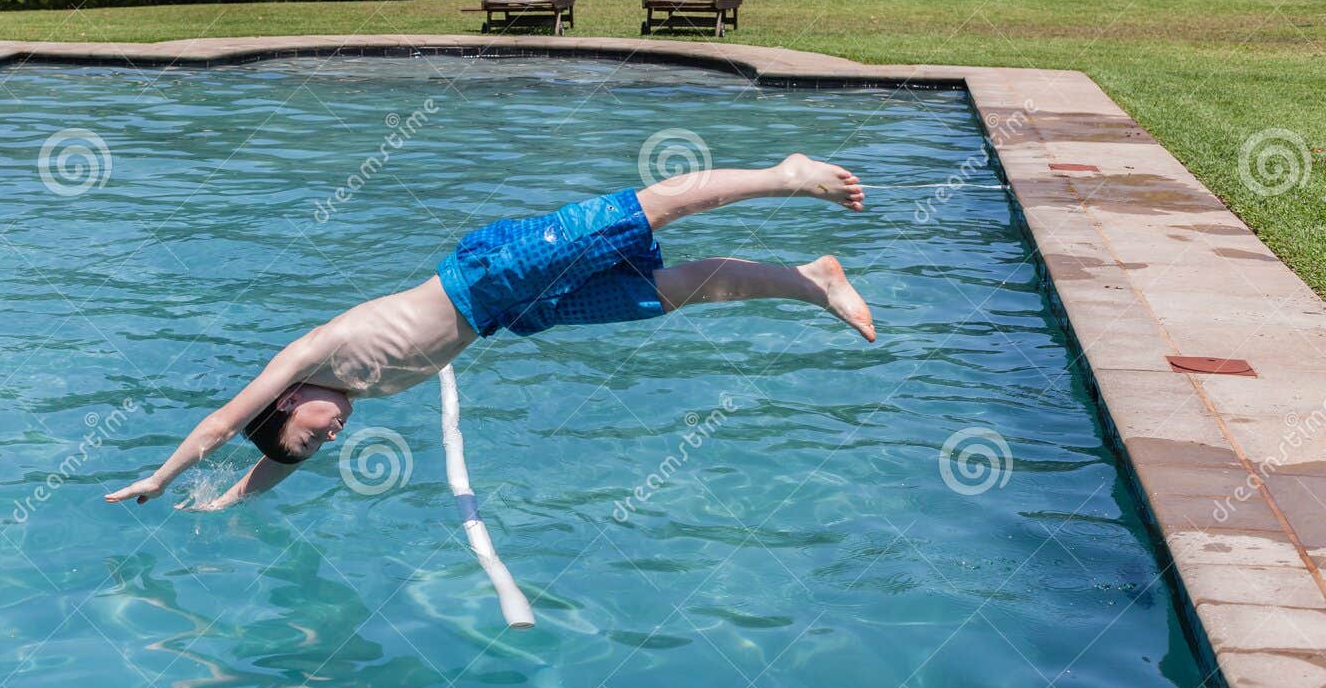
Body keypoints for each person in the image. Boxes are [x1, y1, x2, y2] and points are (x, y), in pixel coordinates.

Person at [104, 154, 871, 510]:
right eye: (321, 443)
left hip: (493, 273)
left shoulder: (314, 353)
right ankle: (810, 280)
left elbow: (222, 423)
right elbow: (277, 458)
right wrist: (231, 497)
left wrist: (161, 477)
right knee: (659, 295)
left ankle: (785, 175)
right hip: (509, 313)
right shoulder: (340, 392)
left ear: (287, 401)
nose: (330, 436)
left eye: (312, 433)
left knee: (642, 211)